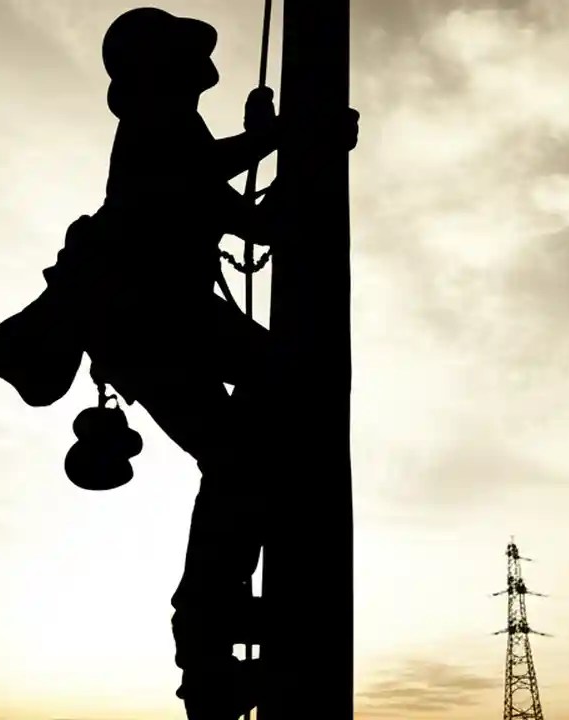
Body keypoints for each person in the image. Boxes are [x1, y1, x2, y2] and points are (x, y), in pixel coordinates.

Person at [60, 7, 358, 719]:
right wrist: (284, 136)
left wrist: (302, 156)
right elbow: (200, 183)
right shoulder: (151, 134)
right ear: (160, 69)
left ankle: (214, 625)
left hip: (178, 320)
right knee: (242, 455)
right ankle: (206, 639)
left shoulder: (177, 134)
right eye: (190, 54)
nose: (208, 64)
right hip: (151, 327)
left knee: (266, 423)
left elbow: (252, 223)